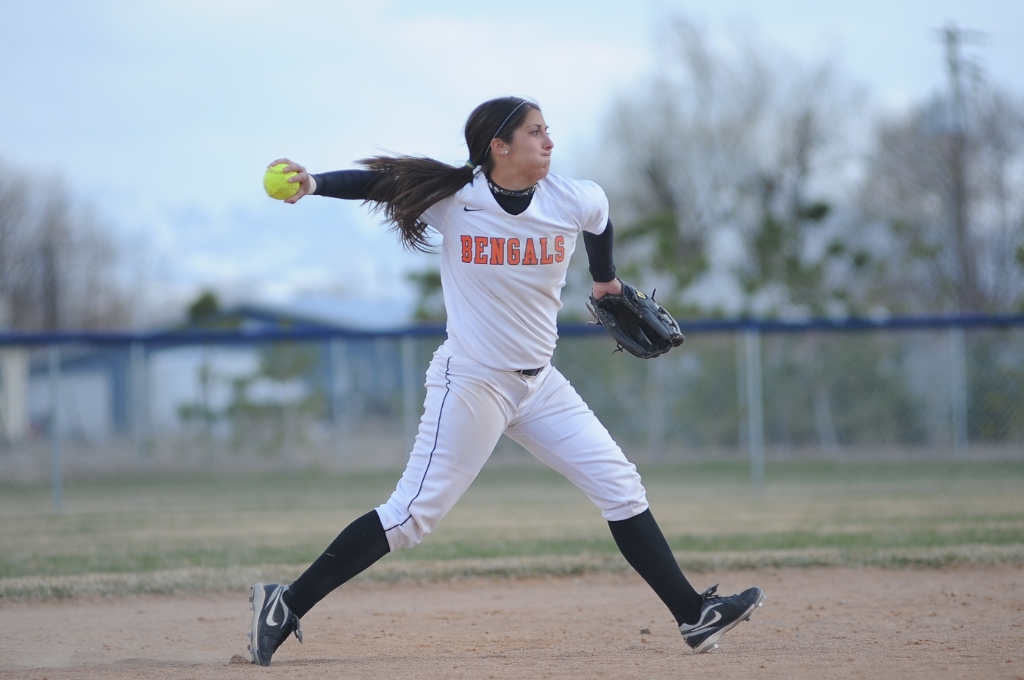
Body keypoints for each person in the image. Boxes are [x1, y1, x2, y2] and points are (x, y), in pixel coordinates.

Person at [248, 96, 764, 666]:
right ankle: (284, 603)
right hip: (473, 383)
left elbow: (600, 222)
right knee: (411, 516)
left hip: (540, 385)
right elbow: (380, 183)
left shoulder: (573, 198)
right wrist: (314, 183)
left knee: (620, 486)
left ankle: (693, 615)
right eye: (535, 132)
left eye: (547, 130)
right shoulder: (457, 199)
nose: (548, 141)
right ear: (499, 146)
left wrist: (605, 282)